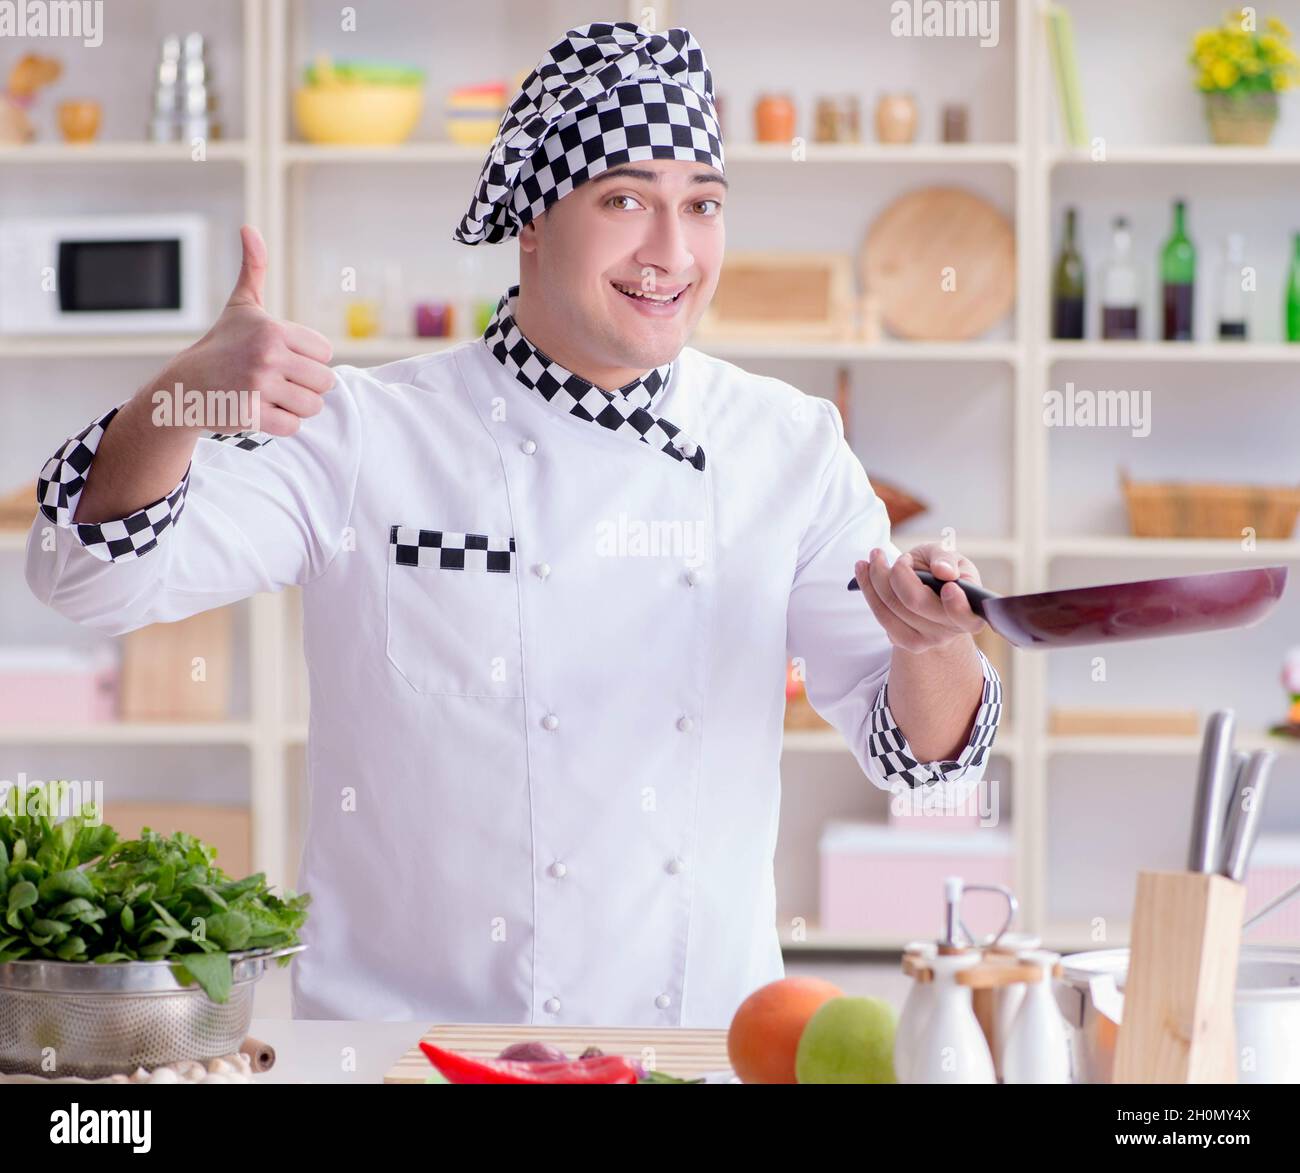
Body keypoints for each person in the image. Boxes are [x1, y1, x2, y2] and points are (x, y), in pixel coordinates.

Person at [25, 22, 1001, 1026]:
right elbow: (86, 578)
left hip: (696, 1046)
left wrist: (934, 641)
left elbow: (924, 762)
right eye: (624, 200)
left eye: (700, 206)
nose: (671, 253)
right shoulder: (367, 432)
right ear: (532, 220)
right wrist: (176, 400)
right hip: (407, 1052)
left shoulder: (786, 447)